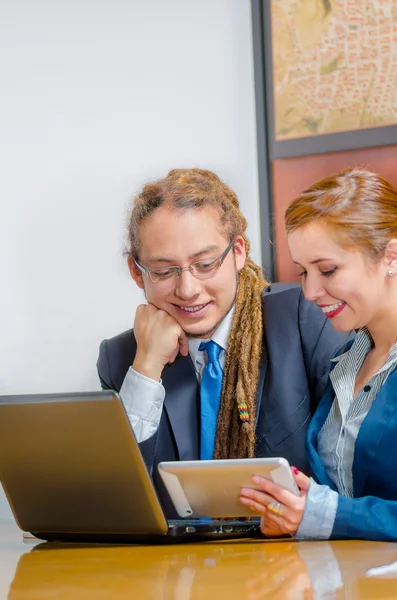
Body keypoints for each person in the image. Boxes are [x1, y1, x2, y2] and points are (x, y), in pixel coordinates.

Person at [97, 168, 349, 518]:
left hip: (288, 558)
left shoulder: (303, 318)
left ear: (238, 252)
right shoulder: (122, 358)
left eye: (204, 264)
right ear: (137, 271)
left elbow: (349, 464)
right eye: (164, 271)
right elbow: (118, 501)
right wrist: (147, 366)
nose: (188, 290)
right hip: (176, 569)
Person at [239, 168, 397, 541]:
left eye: (327, 270)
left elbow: (340, 510)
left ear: (391, 256)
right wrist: (294, 510)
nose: (310, 291)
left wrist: (326, 513)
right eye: (303, 272)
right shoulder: (347, 360)